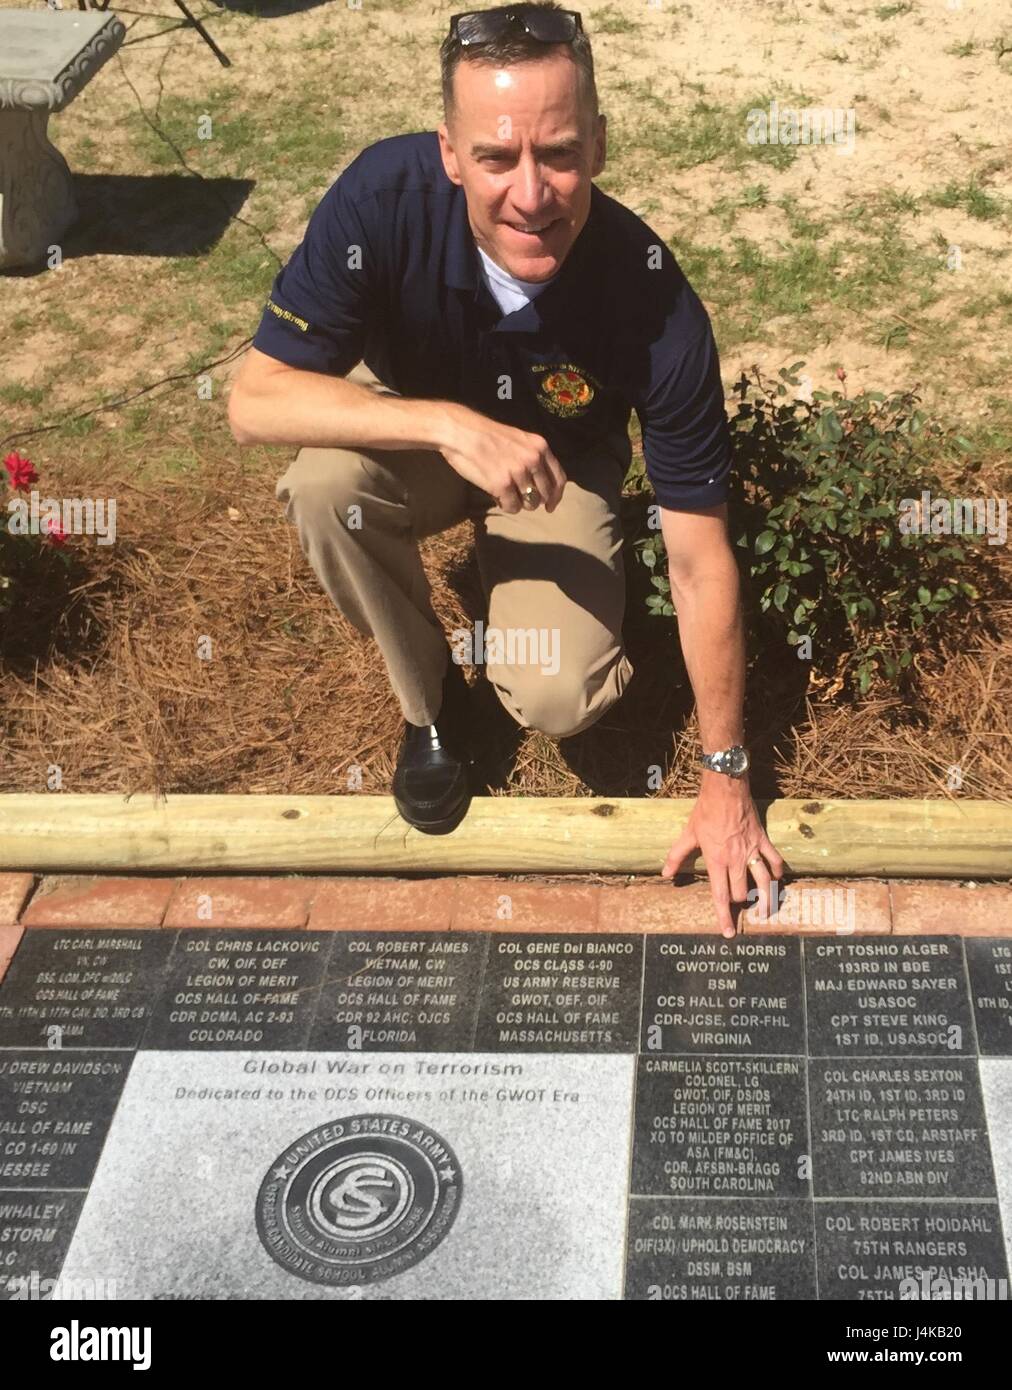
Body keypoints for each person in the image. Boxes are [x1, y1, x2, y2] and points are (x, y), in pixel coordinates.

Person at [228, 3, 785, 937]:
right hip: (428, 442)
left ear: (600, 144)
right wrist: (448, 424)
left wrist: (726, 778)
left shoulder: (654, 297)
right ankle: (434, 704)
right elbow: (254, 400)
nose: (532, 192)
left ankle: (522, 596)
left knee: (561, 695)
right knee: (326, 488)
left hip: (562, 472)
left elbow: (697, 554)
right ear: (449, 154)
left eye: (559, 153)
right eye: (496, 158)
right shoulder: (379, 199)